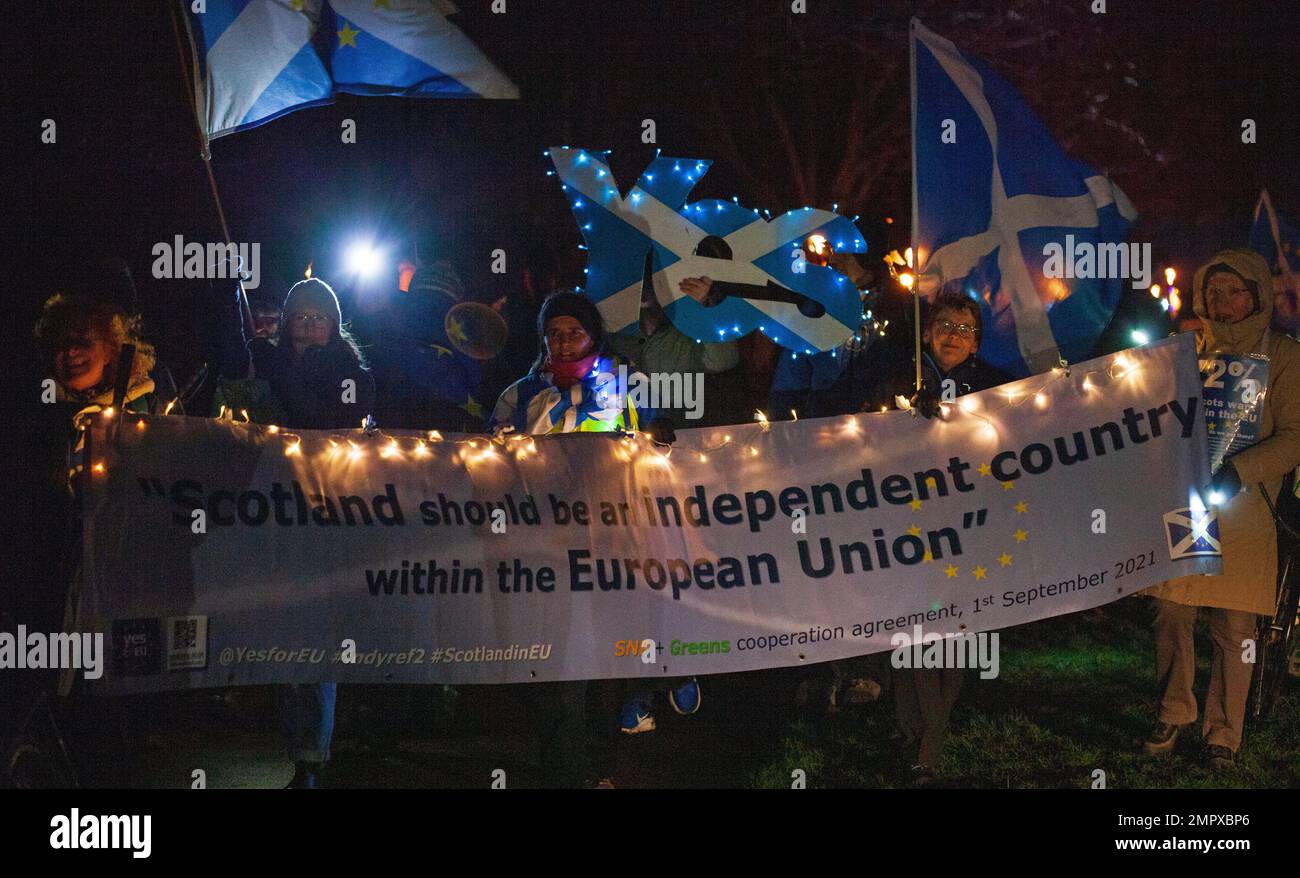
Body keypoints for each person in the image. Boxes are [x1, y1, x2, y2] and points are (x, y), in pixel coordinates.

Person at [489, 291, 666, 786]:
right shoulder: (521, 393)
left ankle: (609, 762)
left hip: (613, 541)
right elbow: (490, 459)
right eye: (555, 333)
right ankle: (567, 772)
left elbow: (659, 443)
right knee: (558, 664)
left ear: (594, 335)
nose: (565, 343)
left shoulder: (625, 385)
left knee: (609, 656)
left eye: (575, 332)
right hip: (543, 544)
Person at [1142, 249, 1300, 770]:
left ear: (1257, 295)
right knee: (1171, 607)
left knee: (1236, 629)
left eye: (1235, 291)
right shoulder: (1183, 353)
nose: (1223, 301)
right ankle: (1174, 709)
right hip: (1188, 507)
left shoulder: (1284, 355)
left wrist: (1240, 471)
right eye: (1214, 292)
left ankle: (1223, 734)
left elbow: (1296, 435)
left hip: (1247, 510)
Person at [867, 291, 1011, 785]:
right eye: (945, 325)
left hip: (970, 525)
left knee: (957, 628)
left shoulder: (996, 387)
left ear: (976, 344)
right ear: (926, 332)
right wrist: (906, 413)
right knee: (911, 624)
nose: (953, 335)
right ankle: (919, 732)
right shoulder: (895, 378)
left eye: (965, 329)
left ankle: (928, 742)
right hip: (906, 524)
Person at [244, 278, 375, 788]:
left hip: (325, 520)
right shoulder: (262, 368)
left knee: (313, 640)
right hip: (266, 516)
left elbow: (318, 420)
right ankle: (297, 743)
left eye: (321, 314)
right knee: (279, 634)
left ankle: (311, 759)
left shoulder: (351, 375)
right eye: (301, 313)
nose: (310, 321)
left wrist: (275, 369)